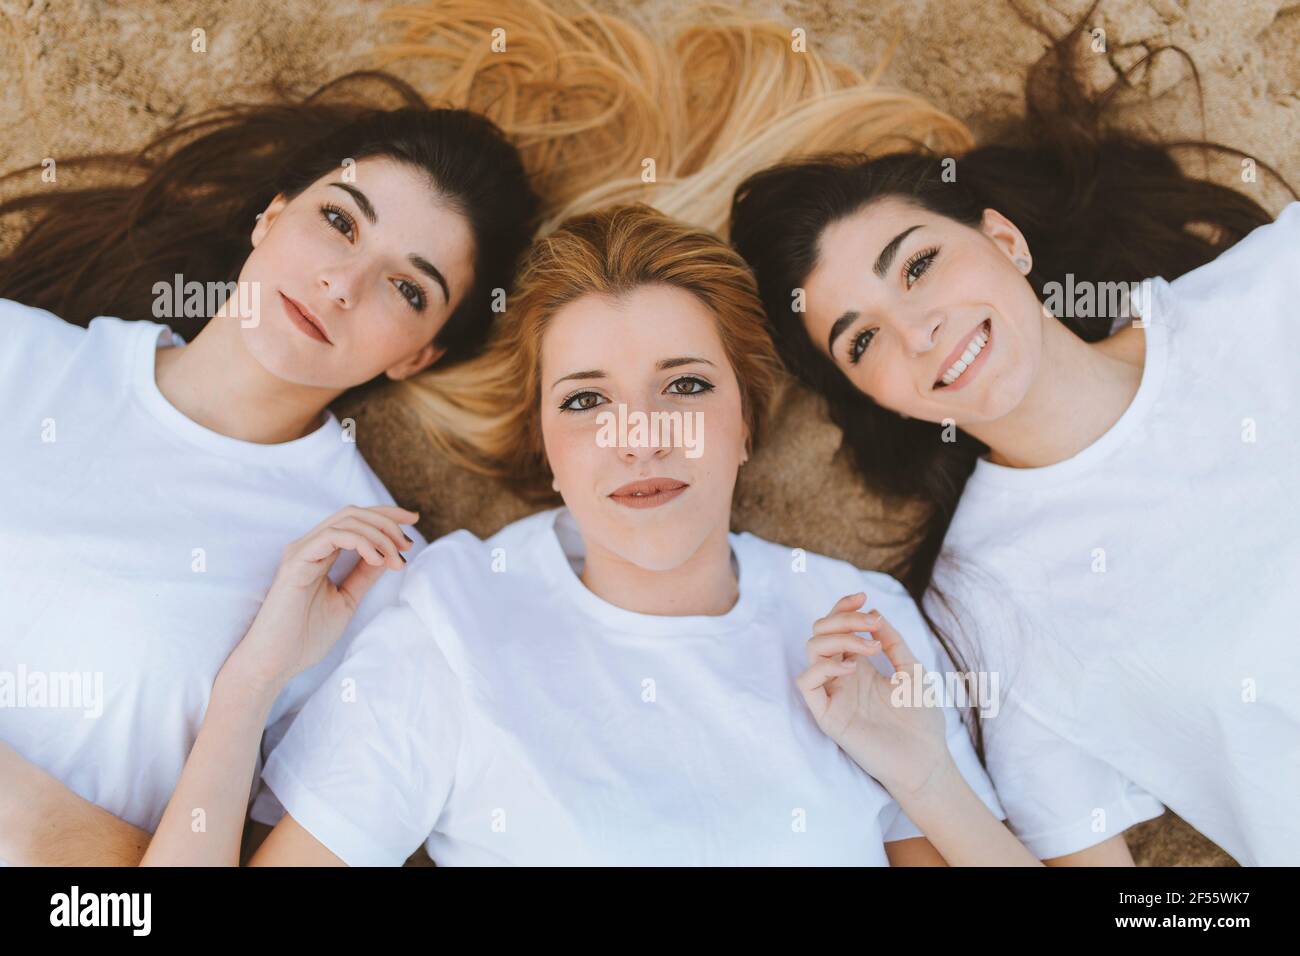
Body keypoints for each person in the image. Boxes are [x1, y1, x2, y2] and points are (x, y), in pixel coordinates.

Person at [137, 204, 1037, 866]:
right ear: (550, 451)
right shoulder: (452, 621)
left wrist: (927, 779)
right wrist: (252, 683)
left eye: (685, 387)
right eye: (585, 401)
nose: (640, 435)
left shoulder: (854, 620)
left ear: (746, 426)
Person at [727, 12, 1300, 864]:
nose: (918, 330)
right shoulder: (990, 605)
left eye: (917, 265)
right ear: (869, 394)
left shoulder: (1272, 289)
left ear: (1005, 241)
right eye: (862, 340)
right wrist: (923, 778)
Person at [0, 72, 540, 865]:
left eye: (405, 287)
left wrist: (248, 682)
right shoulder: (17, 354)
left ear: (417, 355)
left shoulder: (369, 578)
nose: (342, 284)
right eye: (338, 222)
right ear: (271, 217)